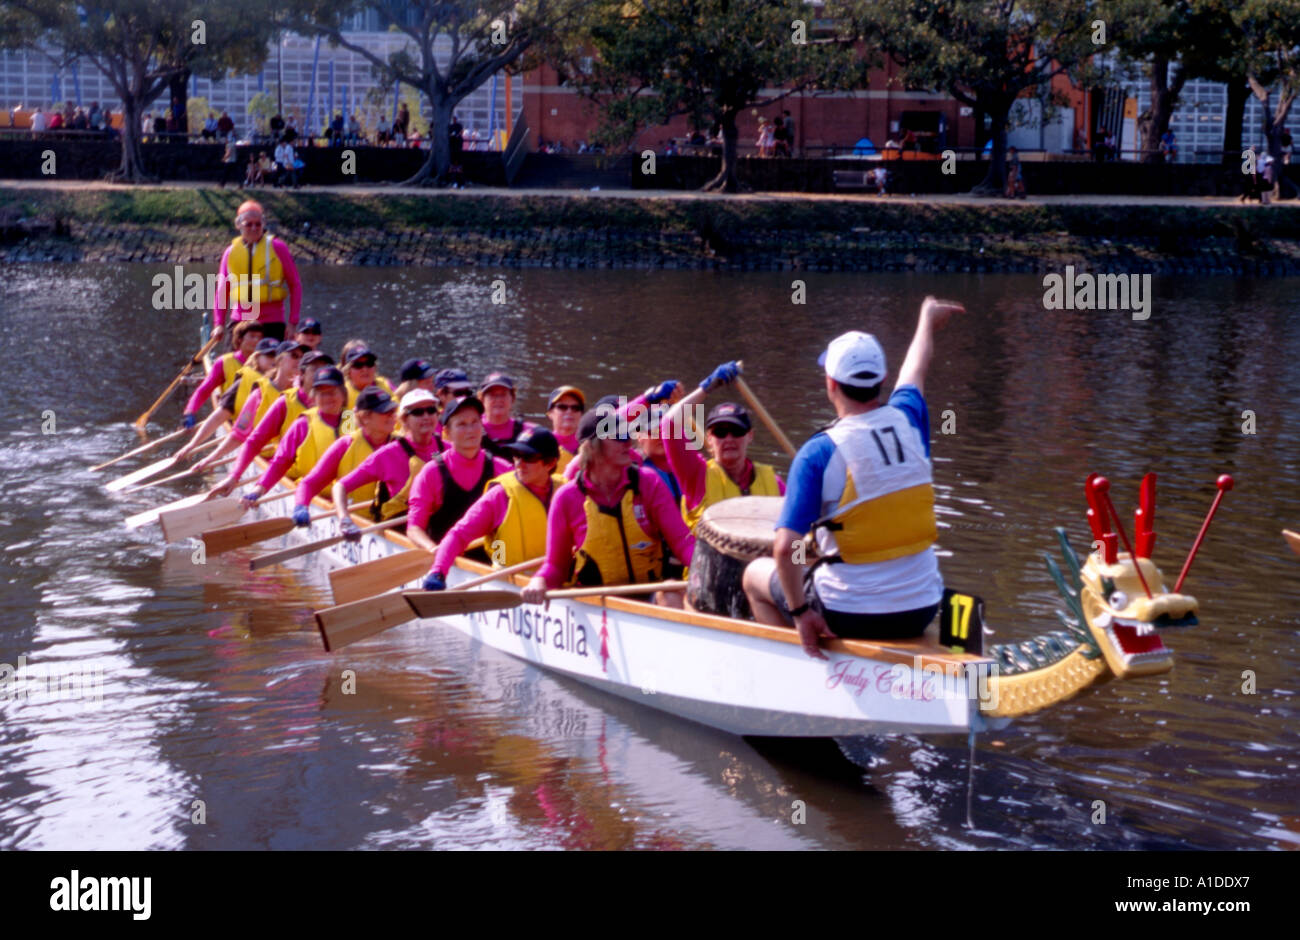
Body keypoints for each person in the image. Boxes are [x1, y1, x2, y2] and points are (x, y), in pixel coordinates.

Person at [741, 296, 965, 659]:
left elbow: (786, 550)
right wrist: (926, 320)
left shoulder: (818, 452)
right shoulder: (908, 419)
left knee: (754, 575)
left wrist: (800, 612)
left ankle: (803, 659)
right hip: (923, 607)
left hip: (849, 614)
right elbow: (917, 370)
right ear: (882, 381)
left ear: (830, 383)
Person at [520, 404, 694, 608]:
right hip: (593, 602)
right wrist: (540, 580)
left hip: (648, 597)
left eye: (627, 434)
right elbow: (555, 566)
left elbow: (683, 542)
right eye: (618, 436)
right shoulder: (567, 498)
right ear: (592, 447)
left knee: (672, 590)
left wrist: (703, 567)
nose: (628, 442)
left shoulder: (648, 483)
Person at [421, 427, 565, 589]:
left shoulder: (566, 491)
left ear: (551, 463)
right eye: (516, 455)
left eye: (529, 458)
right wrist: (438, 571)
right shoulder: (500, 495)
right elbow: (458, 535)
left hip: (557, 583)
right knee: (499, 552)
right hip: (508, 583)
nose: (519, 463)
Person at [660, 365, 785, 532]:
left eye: (737, 431)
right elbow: (670, 423)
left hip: (764, 557)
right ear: (709, 439)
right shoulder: (696, 477)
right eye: (720, 432)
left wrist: (798, 559)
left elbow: (798, 533)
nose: (729, 439)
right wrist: (707, 388)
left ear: (750, 436)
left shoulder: (775, 483)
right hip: (711, 558)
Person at [210, 350, 335, 496]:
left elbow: (350, 449)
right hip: (295, 479)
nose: (321, 375)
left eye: (325, 369)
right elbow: (255, 441)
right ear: (301, 373)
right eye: (314, 369)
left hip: (335, 485)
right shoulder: (285, 403)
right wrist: (234, 475)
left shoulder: (346, 414)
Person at [404, 394, 512, 551]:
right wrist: (433, 549)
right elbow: (414, 529)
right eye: (462, 424)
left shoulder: (503, 469)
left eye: (475, 422)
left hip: (492, 558)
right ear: (447, 432)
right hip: (445, 558)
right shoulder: (431, 473)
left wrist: (499, 566)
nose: (470, 430)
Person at [233, 365, 348, 506]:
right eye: (322, 393)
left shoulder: (350, 420)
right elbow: (281, 461)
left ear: (343, 394)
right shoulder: (304, 424)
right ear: (314, 397)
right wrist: (258, 490)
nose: (327, 398)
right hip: (312, 494)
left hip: (347, 497)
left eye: (332, 392)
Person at [190, 339, 306, 471]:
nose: (300, 362)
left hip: (294, 465)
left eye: (302, 358)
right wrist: (207, 456)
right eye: (295, 356)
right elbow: (239, 434)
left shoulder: (305, 396)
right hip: (267, 459)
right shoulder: (260, 393)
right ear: (279, 361)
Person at [334, 388, 444, 525]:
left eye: (431, 410)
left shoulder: (449, 449)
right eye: (417, 412)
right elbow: (340, 486)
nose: (426, 416)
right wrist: (344, 518)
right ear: (404, 419)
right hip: (401, 529)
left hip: (441, 526)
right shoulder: (387, 454)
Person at [289, 386, 398, 517]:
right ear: (365, 417)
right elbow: (309, 484)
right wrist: (301, 505)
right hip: (353, 519)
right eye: (386, 412)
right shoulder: (345, 445)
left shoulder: (404, 445)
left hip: (394, 522)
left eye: (393, 411)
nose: (393, 416)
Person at [173, 337, 282, 460]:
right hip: (252, 443)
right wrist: (191, 445)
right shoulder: (243, 381)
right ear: (256, 357)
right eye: (269, 355)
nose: (274, 360)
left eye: (278, 356)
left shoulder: (288, 386)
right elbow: (218, 417)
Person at [212, 200, 303, 342]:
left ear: (263, 224)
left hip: (272, 322)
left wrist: (292, 322)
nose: (254, 228)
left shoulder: (278, 248)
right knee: (232, 362)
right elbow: (222, 291)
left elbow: (295, 285)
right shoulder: (230, 253)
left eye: (258, 224)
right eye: (248, 224)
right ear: (239, 225)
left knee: (271, 363)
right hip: (240, 321)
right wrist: (219, 324)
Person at [181, 320, 265, 427]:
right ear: (239, 340)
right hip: (232, 418)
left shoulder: (268, 363)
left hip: (258, 420)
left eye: (259, 337)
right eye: (252, 336)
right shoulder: (224, 362)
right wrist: (190, 411)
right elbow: (204, 390)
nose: (257, 341)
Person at [478, 372, 537, 459]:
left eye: (503, 394)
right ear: (482, 399)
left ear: (512, 398)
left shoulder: (529, 431)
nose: (498, 399)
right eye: (492, 395)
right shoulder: (472, 429)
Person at [545, 385, 584, 473]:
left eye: (575, 408)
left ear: (581, 414)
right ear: (550, 413)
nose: (569, 411)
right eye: (562, 407)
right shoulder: (540, 444)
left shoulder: (591, 446)